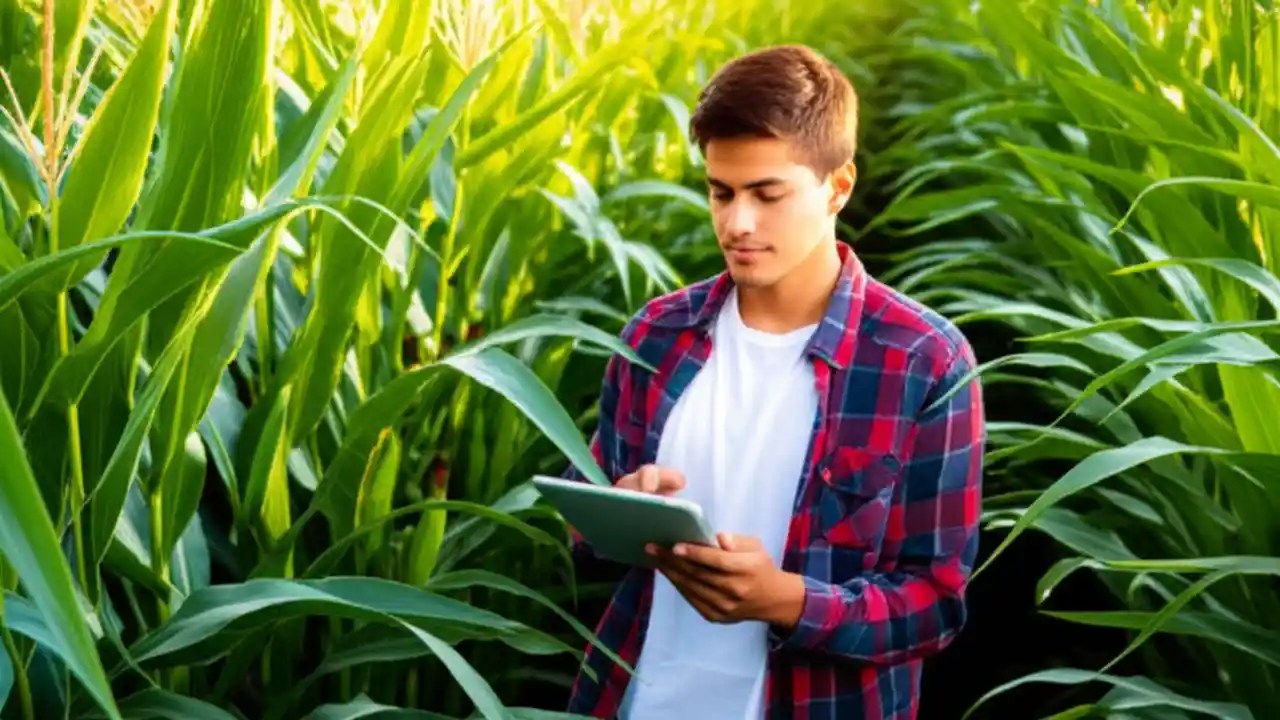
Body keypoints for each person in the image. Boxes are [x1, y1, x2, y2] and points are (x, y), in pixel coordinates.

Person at [562, 44, 985, 720]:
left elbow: (933, 605)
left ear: (838, 187)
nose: (738, 223)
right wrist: (620, 504)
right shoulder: (656, 336)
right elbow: (581, 523)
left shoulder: (925, 362)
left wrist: (783, 600)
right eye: (720, 192)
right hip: (638, 699)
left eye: (767, 194)